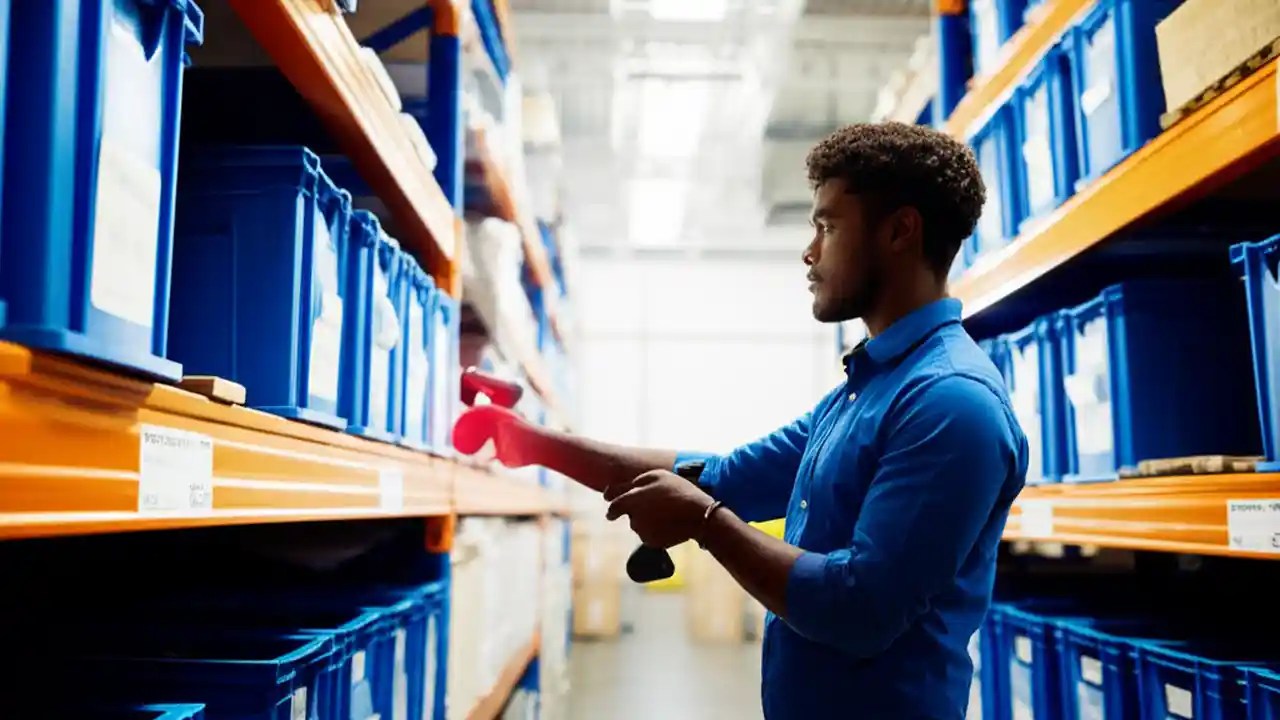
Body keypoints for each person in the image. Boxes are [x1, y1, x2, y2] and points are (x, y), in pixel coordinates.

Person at [454, 122, 1029, 719]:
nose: (809, 251)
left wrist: (704, 523)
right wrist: (529, 442)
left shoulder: (951, 404)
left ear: (900, 232)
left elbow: (861, 610)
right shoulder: (865, 389)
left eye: (828, 226)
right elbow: (718, 475)